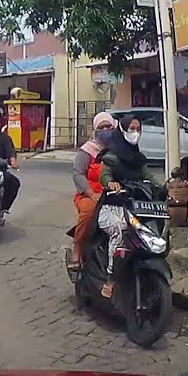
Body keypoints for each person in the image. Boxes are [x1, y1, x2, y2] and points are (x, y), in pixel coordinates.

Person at [93, 113, 160, 298]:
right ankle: (110, 279)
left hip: (134, 208)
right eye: (132, 129)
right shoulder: (111, 155)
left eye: (139, 130)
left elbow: (150, 177)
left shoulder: (138, 158)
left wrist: (165, 188)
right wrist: (111, 184)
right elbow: (104, 175)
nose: (135, 133)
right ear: (122, 130)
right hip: (111, 206)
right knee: (119, 229)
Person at [69, 111, 117, 271]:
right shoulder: (87, 151)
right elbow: (78, 174)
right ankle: (78, 247)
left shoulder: (119, 148)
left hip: (115, 194)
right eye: (101, 127)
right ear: (95, 130)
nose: (105, 130)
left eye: (108, 126)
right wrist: (91, 193)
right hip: (90, 195)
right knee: (89, 212)